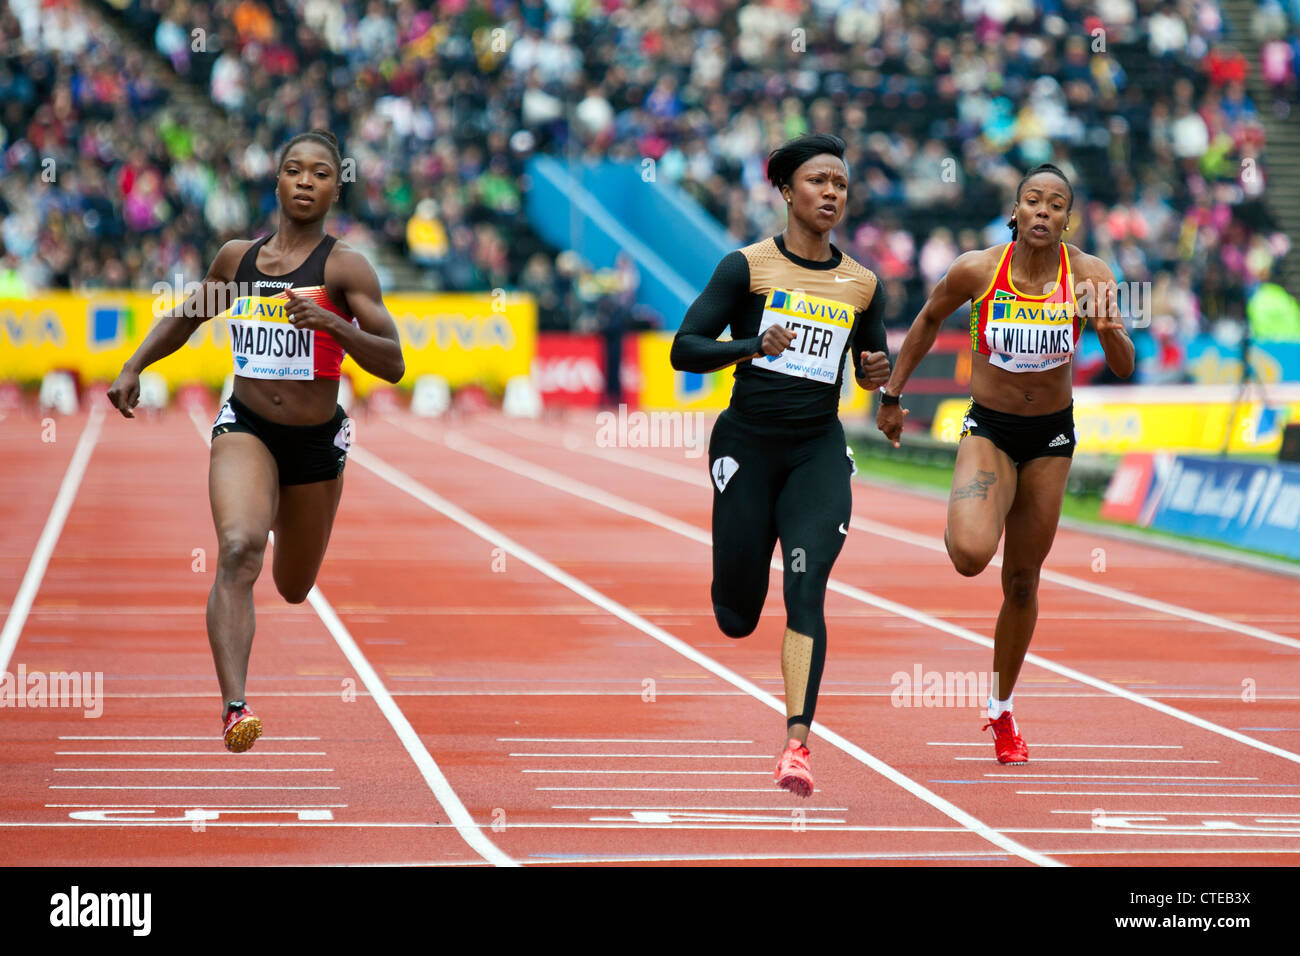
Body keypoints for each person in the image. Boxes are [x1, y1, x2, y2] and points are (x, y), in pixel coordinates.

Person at [107, 129, 405, 752]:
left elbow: (394, 362)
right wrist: (135, 365)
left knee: (294, 587)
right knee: (240, 547)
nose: (304, 180)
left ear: (335, 188)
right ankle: (234, 706)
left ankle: (293, 513)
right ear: (275, 181)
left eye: (319, 173)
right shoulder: (237, 261)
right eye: (293, 170)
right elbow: (187, 316)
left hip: (316, 443)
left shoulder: (345, 267)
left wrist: (331, 322)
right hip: (247, 427)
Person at [876, 163, 1134, 764]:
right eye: (1032, 202)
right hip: (989, 427)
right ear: (1015, 213)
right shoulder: (977, 269)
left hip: (1051, 438)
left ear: (1069, 220)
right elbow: (927, 318)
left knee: (1022, 581)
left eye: (1056, 205)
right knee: (970, 557)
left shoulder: (1091, 274)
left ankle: (1001, 710)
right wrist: (892, 395)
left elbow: (1122, 363)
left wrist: (1106, 324)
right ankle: (971, 511)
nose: (1043, 212)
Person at [670, 134, 891, 796]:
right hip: (747, 445)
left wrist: (878, 375)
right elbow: (685, 348)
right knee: (737, 614)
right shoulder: (747, 268)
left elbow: (870, 367)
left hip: (816, 451)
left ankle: (797, 743)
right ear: (787, 190)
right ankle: (741, 567)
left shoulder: (862, 284)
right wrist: (750, 344)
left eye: (842, 185)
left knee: (806, 585)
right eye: (820, 181)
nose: (832, 193)